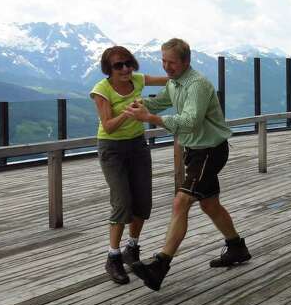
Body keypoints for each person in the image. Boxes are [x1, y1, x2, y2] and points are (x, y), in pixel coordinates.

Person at [124, 37, 251, 291]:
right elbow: (161, 100)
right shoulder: (175, 82)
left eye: (171, 62)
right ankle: (236, 247)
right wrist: (141, 103)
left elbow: (191, 122)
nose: (166, 67)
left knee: (181, 201)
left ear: (186, 61)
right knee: (209, 204)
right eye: (163, 61)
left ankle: (160, 266)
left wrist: (150, 118)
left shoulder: (197, 86)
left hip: (209, 151)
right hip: (196, 150)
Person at [91, 46, 168, 284]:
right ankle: (113, 257)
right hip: (112, 148)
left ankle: (131, 248)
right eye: (118, 65)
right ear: (109, 69)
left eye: (128, 63)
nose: (125, 69)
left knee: (143, 201)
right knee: (122, 201)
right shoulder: (101, 90)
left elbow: (169, 79)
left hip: (137, 145)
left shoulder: (137, 80)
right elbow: (109, 125)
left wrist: (186, 75)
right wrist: (129, 112)